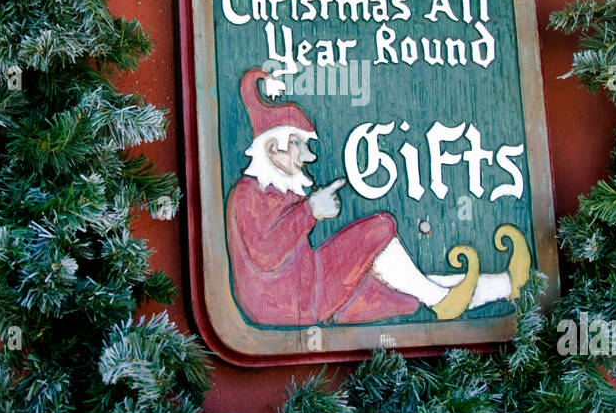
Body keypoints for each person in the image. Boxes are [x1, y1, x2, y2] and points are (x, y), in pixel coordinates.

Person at [225, 68, 531, 328]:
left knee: (409, 294)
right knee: (380, 228)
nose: (306, 156)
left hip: (310, 294)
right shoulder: (247, 195)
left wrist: (308, 210)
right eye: (296, 144)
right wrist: (310, 212)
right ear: (271, 149)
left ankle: (505, 285)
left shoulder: (281, 191)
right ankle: (442, 300)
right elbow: (265, 254)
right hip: (287, 304)